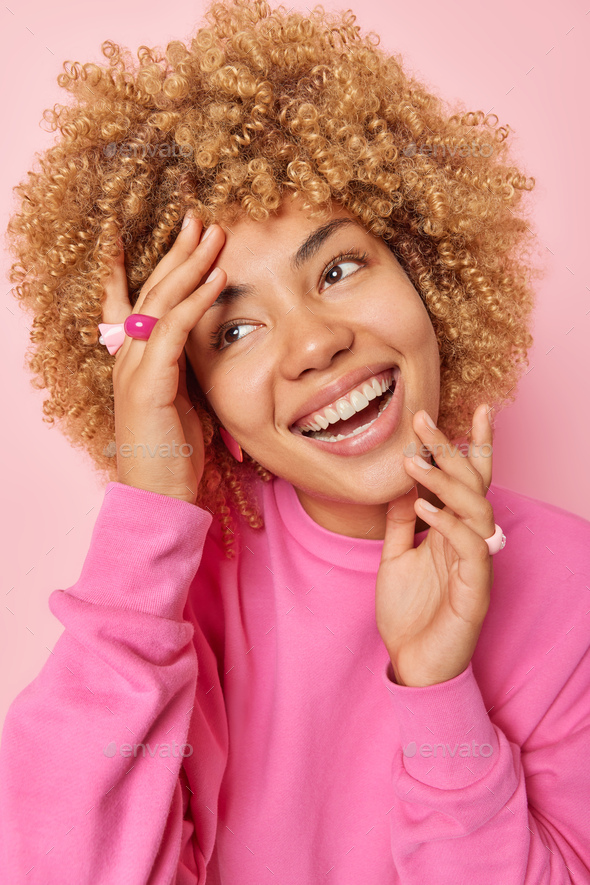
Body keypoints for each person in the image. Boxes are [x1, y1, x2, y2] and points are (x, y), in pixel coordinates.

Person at [1, 0, 589, 882]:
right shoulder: (180, 594)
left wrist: (438, 695)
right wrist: (147, 512)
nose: (315, 344)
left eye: (339, 268)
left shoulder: (573, 589)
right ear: (205, 413)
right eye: (232, 332)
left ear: (425, 272)